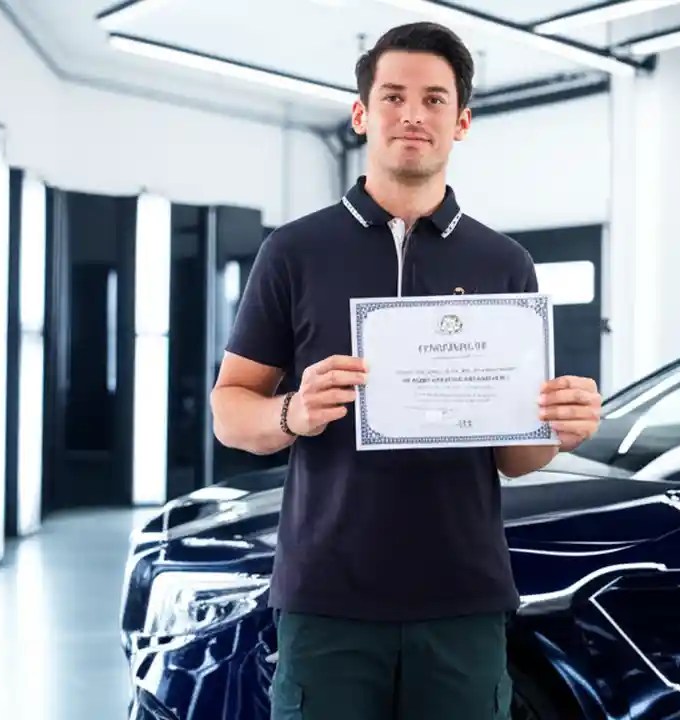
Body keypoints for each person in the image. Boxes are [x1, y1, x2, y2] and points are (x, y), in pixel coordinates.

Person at [209, 21, 603, 720]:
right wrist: (291, 412)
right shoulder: (294, 251)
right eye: (393, 96)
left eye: (434, 99)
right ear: (362, 114)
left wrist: (559, 429)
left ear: (462, 122)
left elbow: (514, 457)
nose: (412, 114)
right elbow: (229, 410)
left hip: (462, 600)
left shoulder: (503, 263)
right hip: (328, 599)